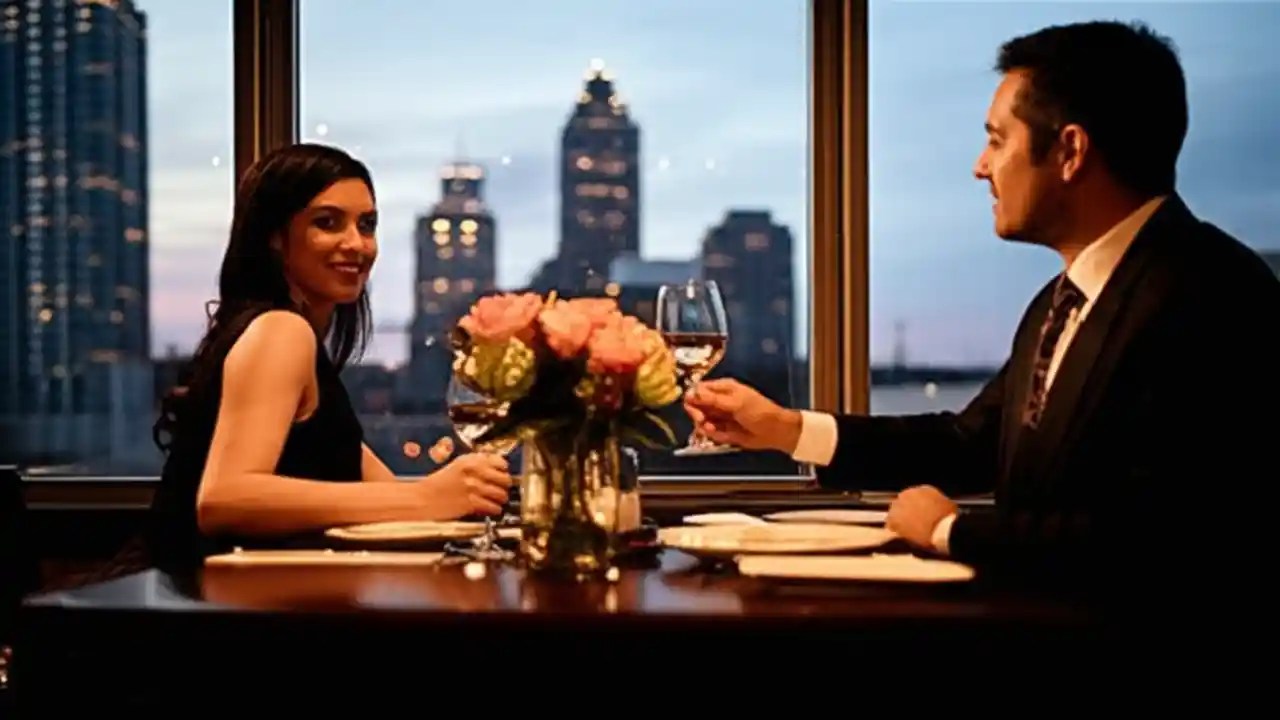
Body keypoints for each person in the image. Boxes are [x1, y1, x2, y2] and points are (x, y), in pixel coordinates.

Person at [685, 21, 1280, 589]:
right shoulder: (1061, 300)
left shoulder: (1216, 295)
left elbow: (1169, 541)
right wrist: (786, 430)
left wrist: (953, 532)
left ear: (1070, 151)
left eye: (997, 139)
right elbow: (970, 444)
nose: (980, 166)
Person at [146, 143, 512, 568]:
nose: (356, 244)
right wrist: (427, 495)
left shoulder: (298, 347)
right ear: (275, 237)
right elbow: (224, 499)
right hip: (197, 614)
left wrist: (454, 492)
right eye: (328, 222)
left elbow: (389, 497)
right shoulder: (282, 330)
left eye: (367, 224)